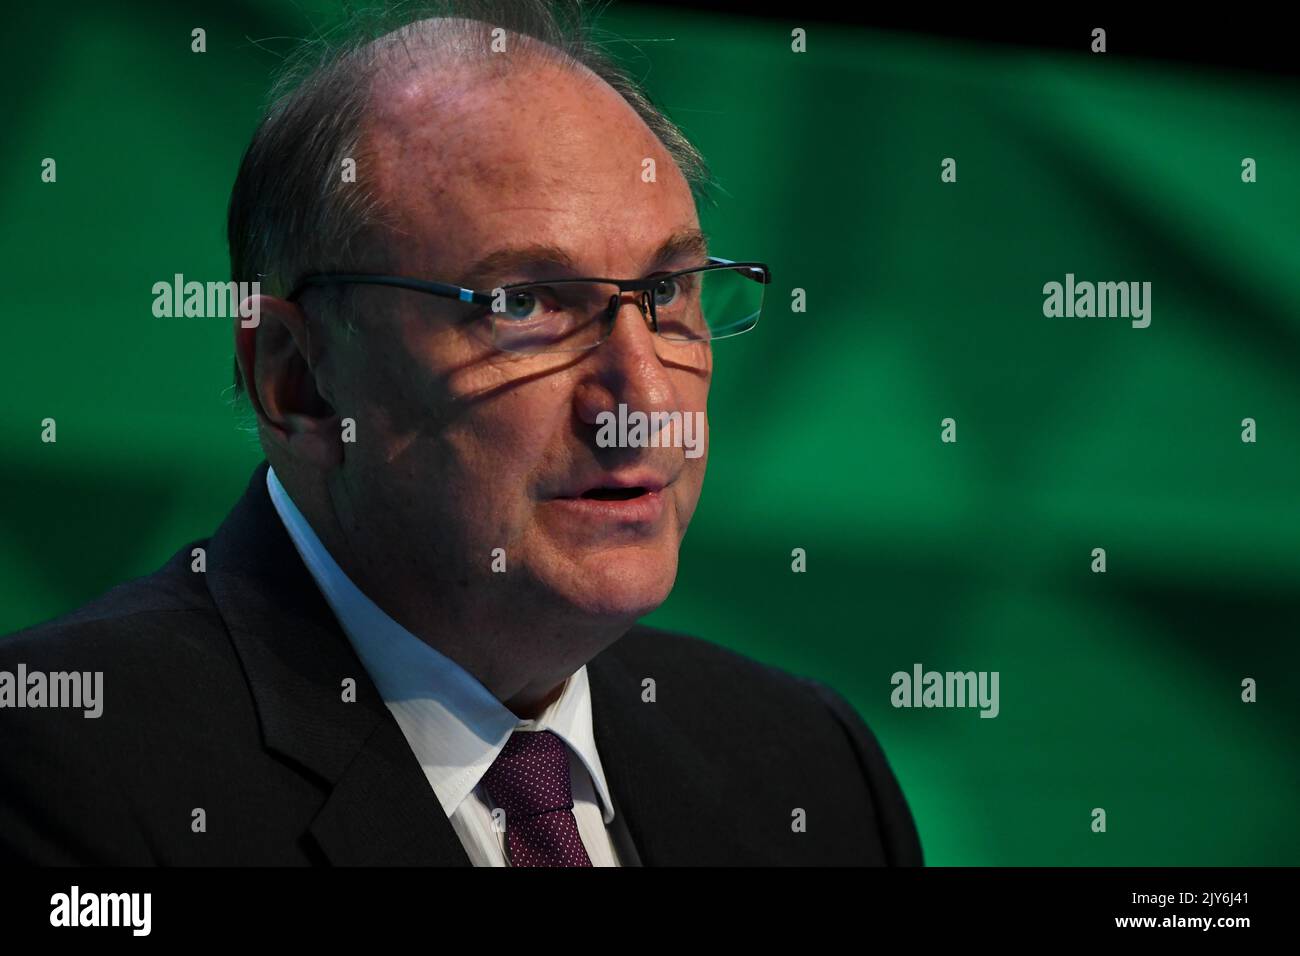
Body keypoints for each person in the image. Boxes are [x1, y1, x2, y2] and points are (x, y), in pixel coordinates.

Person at [0, 1, 921, 866]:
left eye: (667, 292)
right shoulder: (63, 767)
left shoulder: (810, 769)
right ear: (300, 382)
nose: (640, 396)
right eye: (525, 306)